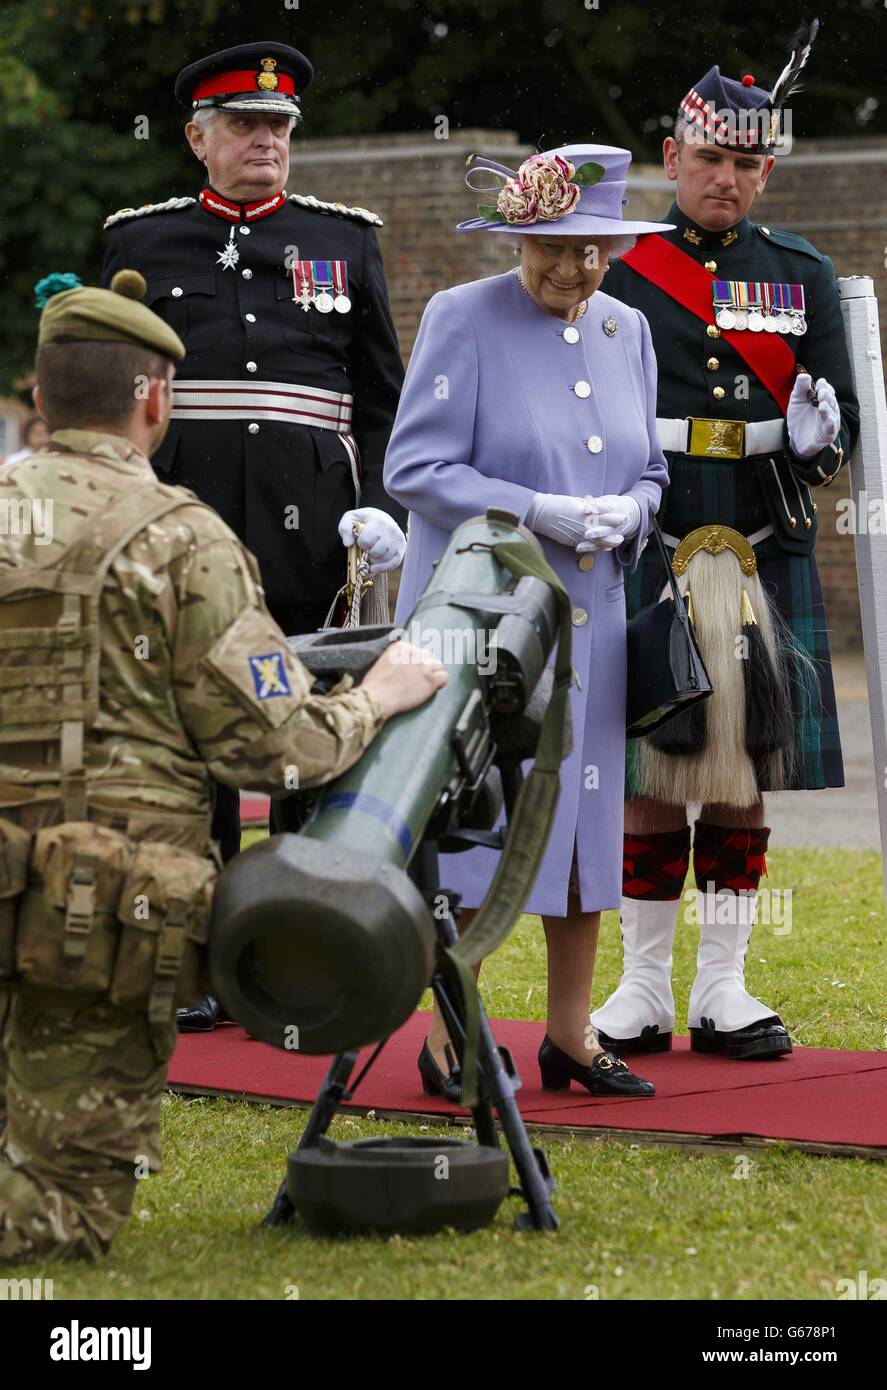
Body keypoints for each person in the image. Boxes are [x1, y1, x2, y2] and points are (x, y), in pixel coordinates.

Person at [0, 272, 444, 1262]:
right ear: (154, 398)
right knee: (64, 1211)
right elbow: (274, 747)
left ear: (41, 395)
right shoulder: (180, 538)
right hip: (99, 915)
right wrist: (377, 694)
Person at [100, 41, 409, 1029]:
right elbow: (117, 392)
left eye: (278, 127)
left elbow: (379, 396)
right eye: (244, 126)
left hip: (311, 540)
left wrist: (385, 511)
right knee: (184, 744)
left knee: (301, 741)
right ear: (197, 139)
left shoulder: (344, 240)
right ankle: (195, 955)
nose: (265, 142)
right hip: (181, 529)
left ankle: (295, 949)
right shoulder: (140, 241)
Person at [590, 24, 860, 1062]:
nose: (727, 179)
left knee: (739, 772)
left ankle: (723, 987)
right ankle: (641, 990)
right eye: (709, 158)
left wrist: (817, 444)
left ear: (766, 168)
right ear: (671, 158)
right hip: (648, 533)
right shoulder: (618, 273)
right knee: (652, 772)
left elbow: (843, 432)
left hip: (757, 533)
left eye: (747, 163)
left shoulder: (801, 272)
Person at [385, 144, 671, 1102]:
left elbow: (647, 469)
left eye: (595, 249)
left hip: (591, 620)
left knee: (586, 824)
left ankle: (569, 1036)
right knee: (478, 822)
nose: (574, 268)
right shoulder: (462, 317)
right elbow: (416, 470)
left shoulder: (628, 327)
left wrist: (633, 510)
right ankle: (447, 1039)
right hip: (487, 614)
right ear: (516, 235)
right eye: (554, 247)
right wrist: (533, 509)